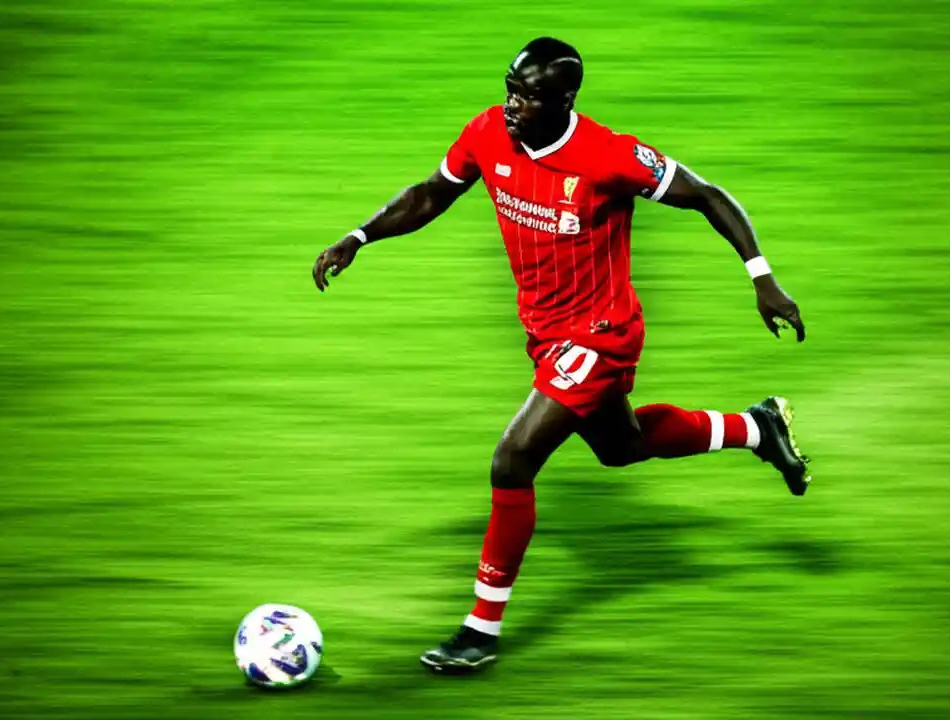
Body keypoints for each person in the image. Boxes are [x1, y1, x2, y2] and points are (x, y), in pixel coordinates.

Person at [311, 36, 810, 675]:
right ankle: (756, 427)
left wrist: (761, 276)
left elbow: (708, 195)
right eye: (509, 89)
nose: (512, 105)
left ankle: (480, 629)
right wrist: (359, 236)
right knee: (621, 446)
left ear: (565, 98)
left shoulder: (608, 156)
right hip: (547, 336)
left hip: (602, 334)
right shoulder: (489, 133)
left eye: (528, 96)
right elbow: (433, 191)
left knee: (512, 459)